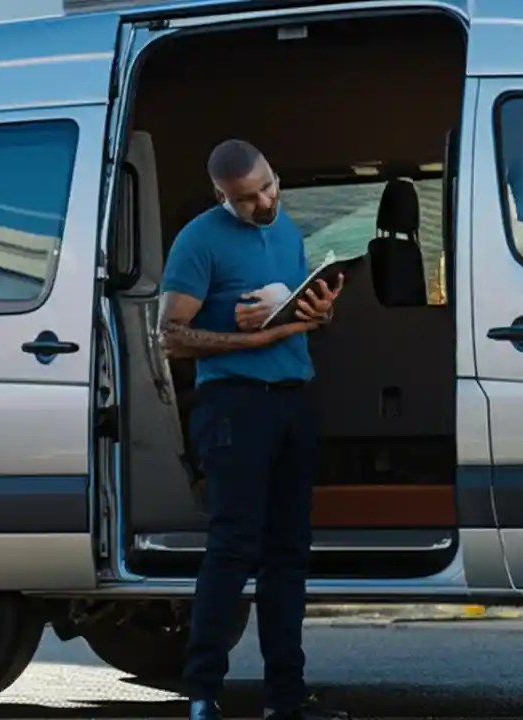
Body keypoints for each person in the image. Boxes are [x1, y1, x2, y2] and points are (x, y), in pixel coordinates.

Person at [158, 139, 349, 720]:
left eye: (269, 185)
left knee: (288, 554)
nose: (265, 201)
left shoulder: (287, 227)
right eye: (248, 198)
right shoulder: (198, 239)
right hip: (234, 407)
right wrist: (254, 339)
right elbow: (170, 333)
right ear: (223, 196)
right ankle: (201, 696)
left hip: (293, 401)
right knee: (234, 547)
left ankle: (285, 700)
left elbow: (301, 313)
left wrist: (319, 313)